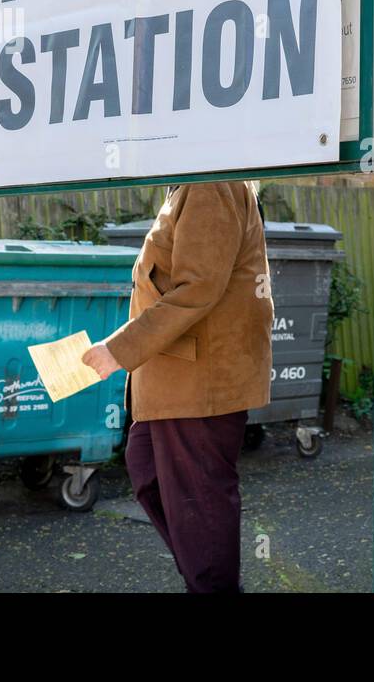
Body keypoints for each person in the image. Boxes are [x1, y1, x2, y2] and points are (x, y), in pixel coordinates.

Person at [82, 180, 272, 592]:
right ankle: (207, 578)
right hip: (173, 378)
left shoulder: (210, 184)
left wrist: (120, 348)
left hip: (201, 382)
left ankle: (212, 584)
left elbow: (198, 285)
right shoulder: (186, 186)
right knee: (149, 470)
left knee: (198, 503)